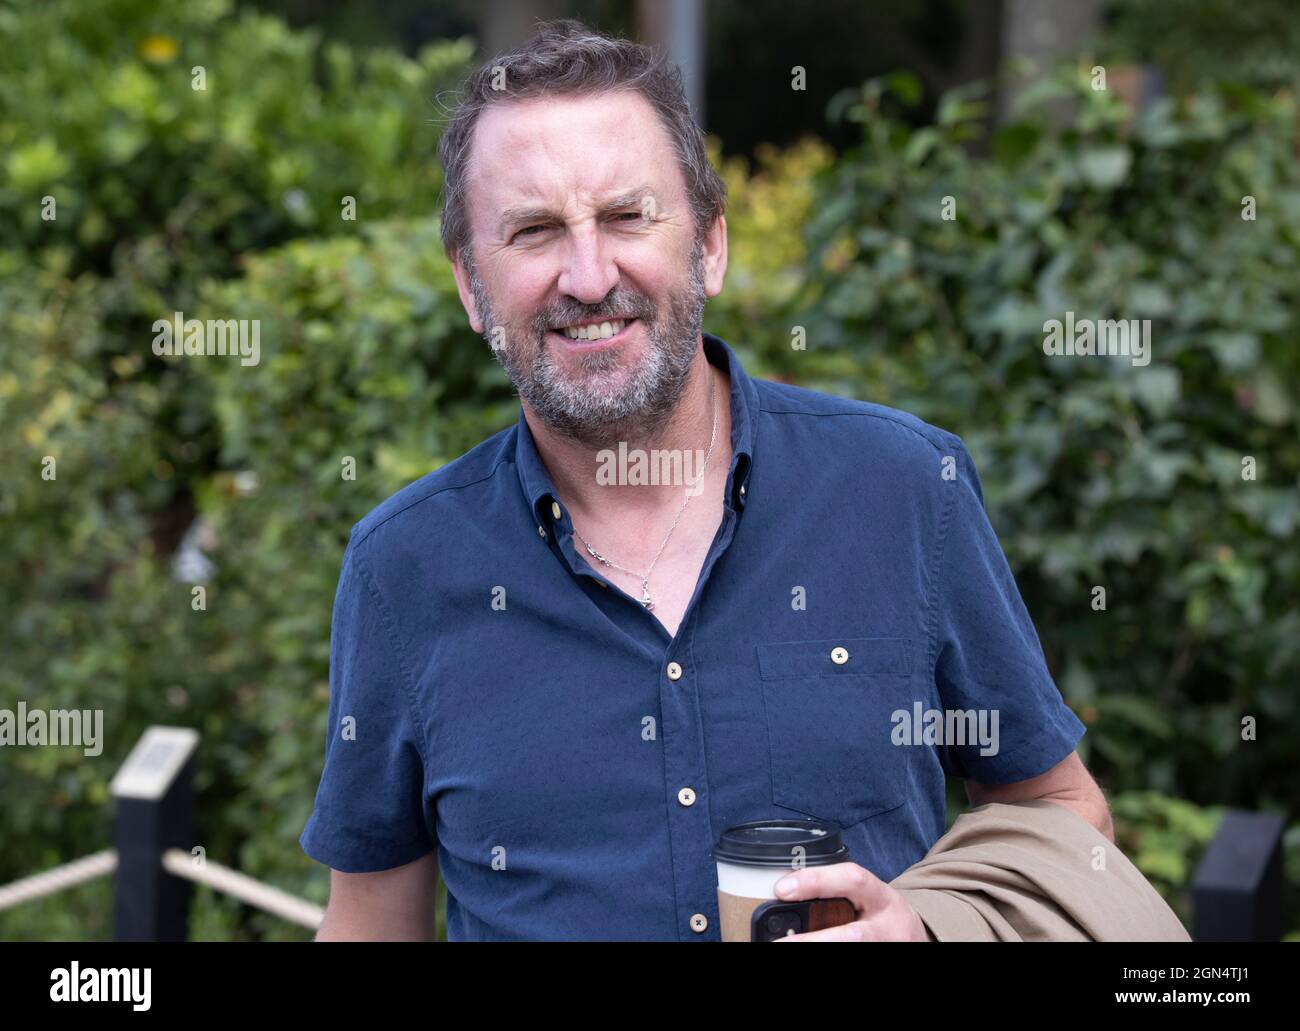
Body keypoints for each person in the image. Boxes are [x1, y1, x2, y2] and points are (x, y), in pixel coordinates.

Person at [300, 18, 1122, 942]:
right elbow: (370, 926)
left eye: (627, 216)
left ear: (711, 246)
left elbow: (1065, 816)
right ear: (470, 287)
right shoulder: (403, 566)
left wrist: (928, 928)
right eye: (534, 231)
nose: (588, 272)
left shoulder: (902, 489)